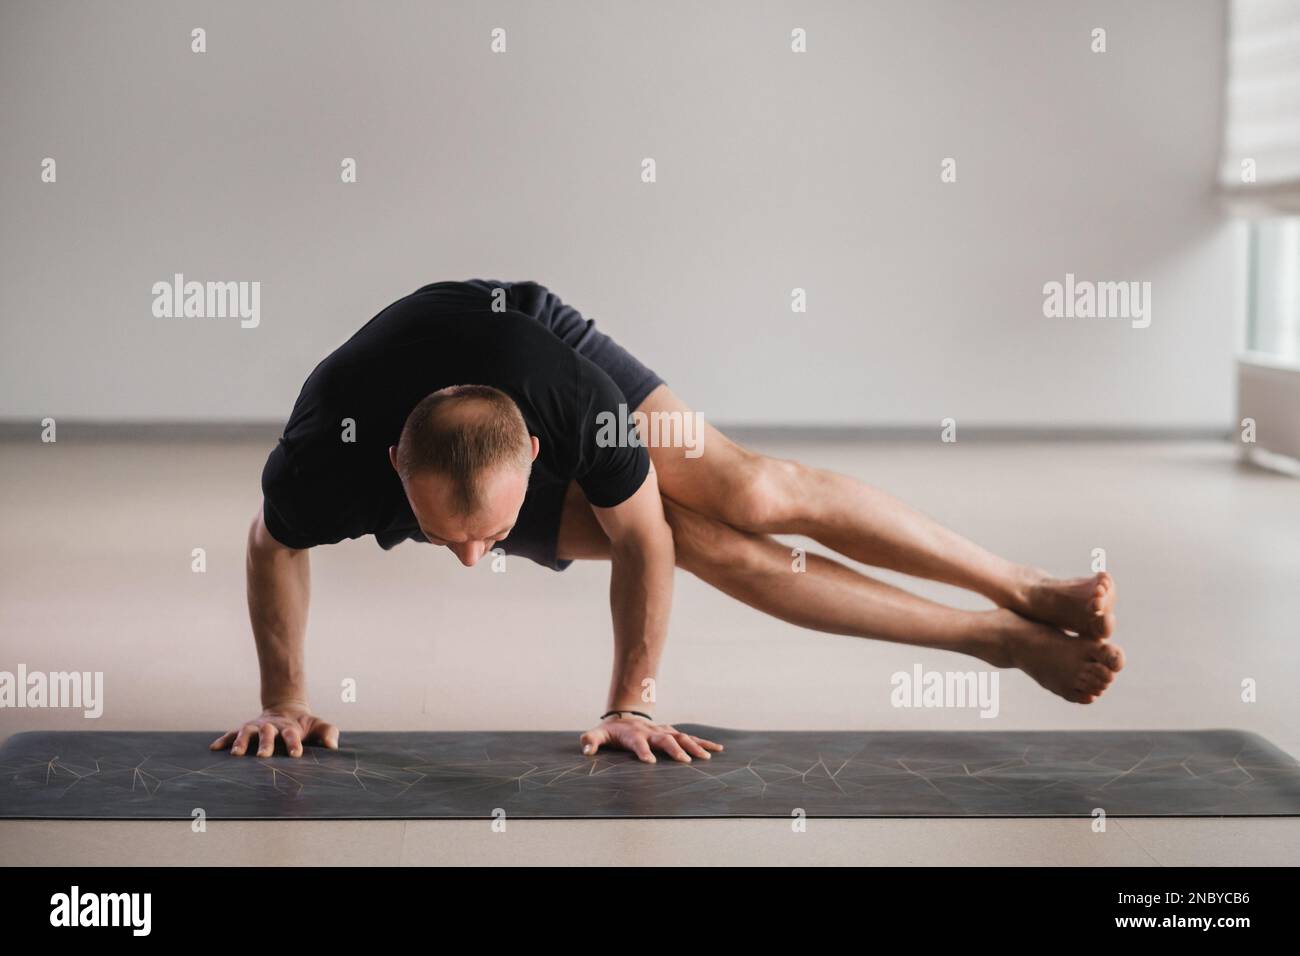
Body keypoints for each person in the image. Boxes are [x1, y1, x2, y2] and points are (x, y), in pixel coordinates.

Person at [211, 280, 1123, 765]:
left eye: (488, 534)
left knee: (748, 499)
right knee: (713, 549)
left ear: (535, 457)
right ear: (388, 473)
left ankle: (1024, 588)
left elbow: (640, 535)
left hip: (534, 338)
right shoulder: (319, 458)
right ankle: (999, 641)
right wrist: (284, 698)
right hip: (434, 423)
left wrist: (630, 702)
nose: (471, 561)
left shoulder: (578, 405)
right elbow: (270, 544)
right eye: (451, 540)